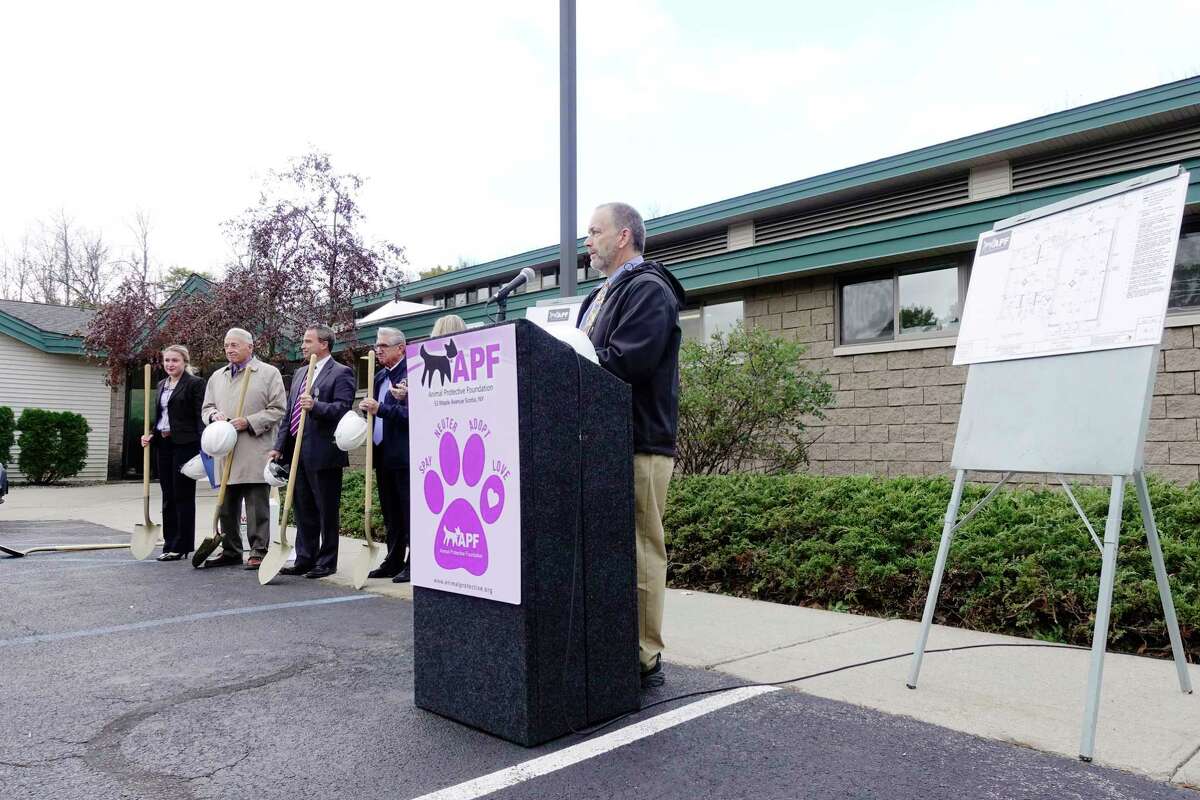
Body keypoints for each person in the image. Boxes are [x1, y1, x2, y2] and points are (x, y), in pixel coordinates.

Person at [577, 202, 685, 689]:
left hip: (640, 442)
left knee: (642, 549)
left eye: (594, 232)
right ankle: (609, 640)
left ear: (623, 237)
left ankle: (644, 655)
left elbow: (627, 362)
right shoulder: (599, 296)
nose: (587, 241)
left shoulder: (647, 290)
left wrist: (574, 357)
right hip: (601, 443)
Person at [270, 324, 356, 579]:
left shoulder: (342, 373)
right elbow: (289, 415)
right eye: (303, 341)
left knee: (326, 508)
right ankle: (305, 558)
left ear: (324, 344)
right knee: (302, 507)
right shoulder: (299, 374)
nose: (303, 346)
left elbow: (343, 409)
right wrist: (278, 447)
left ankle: (327, 561)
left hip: (324, 452)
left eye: (308, 341)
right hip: (297, 451)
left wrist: (317, 406)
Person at [200, 328, 287, 569]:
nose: (229, 349)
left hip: (254, 447)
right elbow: (206, 408)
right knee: (226, 505)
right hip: (225, 448)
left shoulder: (269, 373)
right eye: (227, 345)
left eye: (235, 345)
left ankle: (259, 550)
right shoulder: (217, 376)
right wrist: (213, 416)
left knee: (256, 504)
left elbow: (279, 409)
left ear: (250, 347)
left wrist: (248, 422)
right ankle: (230, 550)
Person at [140, 344, 205, 561]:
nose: (170, 364)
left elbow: (199, 416)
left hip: (185, 445)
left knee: (183, 495)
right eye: (167, 360)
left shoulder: (194, 384)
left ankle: (183, 544)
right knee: (168, 496)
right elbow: (160, 417)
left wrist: (203, 446)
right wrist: (150, 434)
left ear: (184, 362)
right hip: (163, 444)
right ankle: (169, 543)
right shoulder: (160, 385)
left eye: (175, 360)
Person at [359, 327, 411, 582]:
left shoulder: (413, 371)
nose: (377, 349)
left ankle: (415, 562)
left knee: (408, 511)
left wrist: (381, 409)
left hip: (404, 455)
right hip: (382, 454)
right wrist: (366, 409)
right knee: (391, 513)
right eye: (377, 345)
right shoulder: (379, 376)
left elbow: (415, 415)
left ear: (400, 348)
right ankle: (393, 559)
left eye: (383, 345)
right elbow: (375, 411)